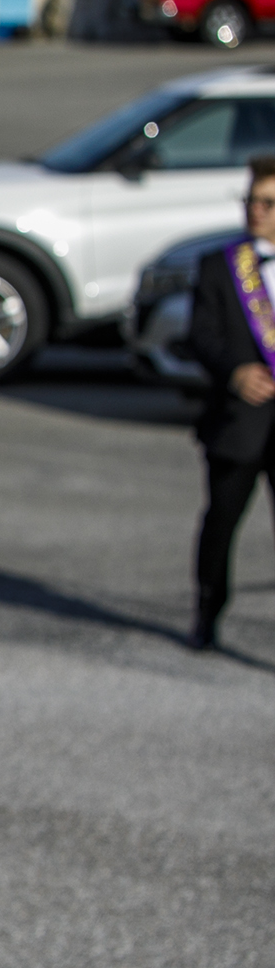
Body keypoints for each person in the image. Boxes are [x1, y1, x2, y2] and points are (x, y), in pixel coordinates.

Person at [186, 154, 275, 650]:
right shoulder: (220, 265)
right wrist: (235, 372)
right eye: (251, 201)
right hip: (238, 421)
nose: (256, 211)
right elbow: (202, 335)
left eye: (267, 203)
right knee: (221, 521)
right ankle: (207, 610)